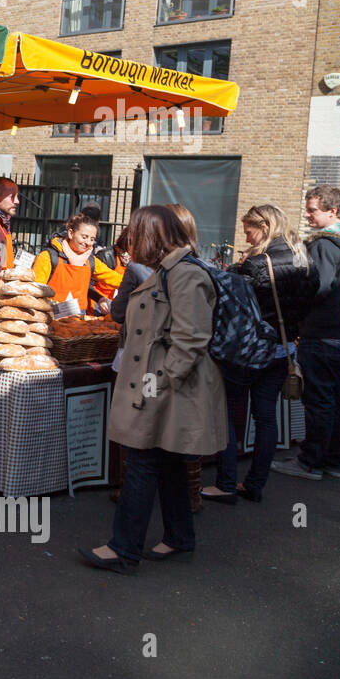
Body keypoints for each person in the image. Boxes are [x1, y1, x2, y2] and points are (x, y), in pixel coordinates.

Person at [82, 205, 226, 573]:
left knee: (143, 460)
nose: (129, 240)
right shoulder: (170, 270)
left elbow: (191, 339)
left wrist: (156, 385)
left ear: (153, 235)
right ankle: (179, 537)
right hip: (162, 381)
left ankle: (124, 549)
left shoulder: (184, 274)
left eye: (136, 232)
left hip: (166, 384)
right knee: (168, 461)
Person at [202, 205, 310, 503]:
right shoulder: (303, 259)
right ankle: (254, 484)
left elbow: (233, 299)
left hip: (249, 351)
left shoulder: (257, 263)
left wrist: (238, 267)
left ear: (263, 227)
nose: (246, 234)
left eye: (249, 228)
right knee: (265, 417)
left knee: (229, 415)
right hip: (283, 349)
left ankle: (225, 483)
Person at [272, 185, 340, 481]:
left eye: (312, 210)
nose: (306, 215)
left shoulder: (323, 245)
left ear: (332, 212)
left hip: (324, 333)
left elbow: (317, 288)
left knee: (320, 400)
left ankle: (310, 462)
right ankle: (333, 460)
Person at [32, 212, 122, 314]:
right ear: (71, 233)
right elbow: (36, 290)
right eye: (84, 237)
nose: (88, 242)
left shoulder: (90, 260)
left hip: (80, 318)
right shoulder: (48, 257)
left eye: (92, 239)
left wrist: (137, 283)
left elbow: (114, 278)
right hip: (50, 315)